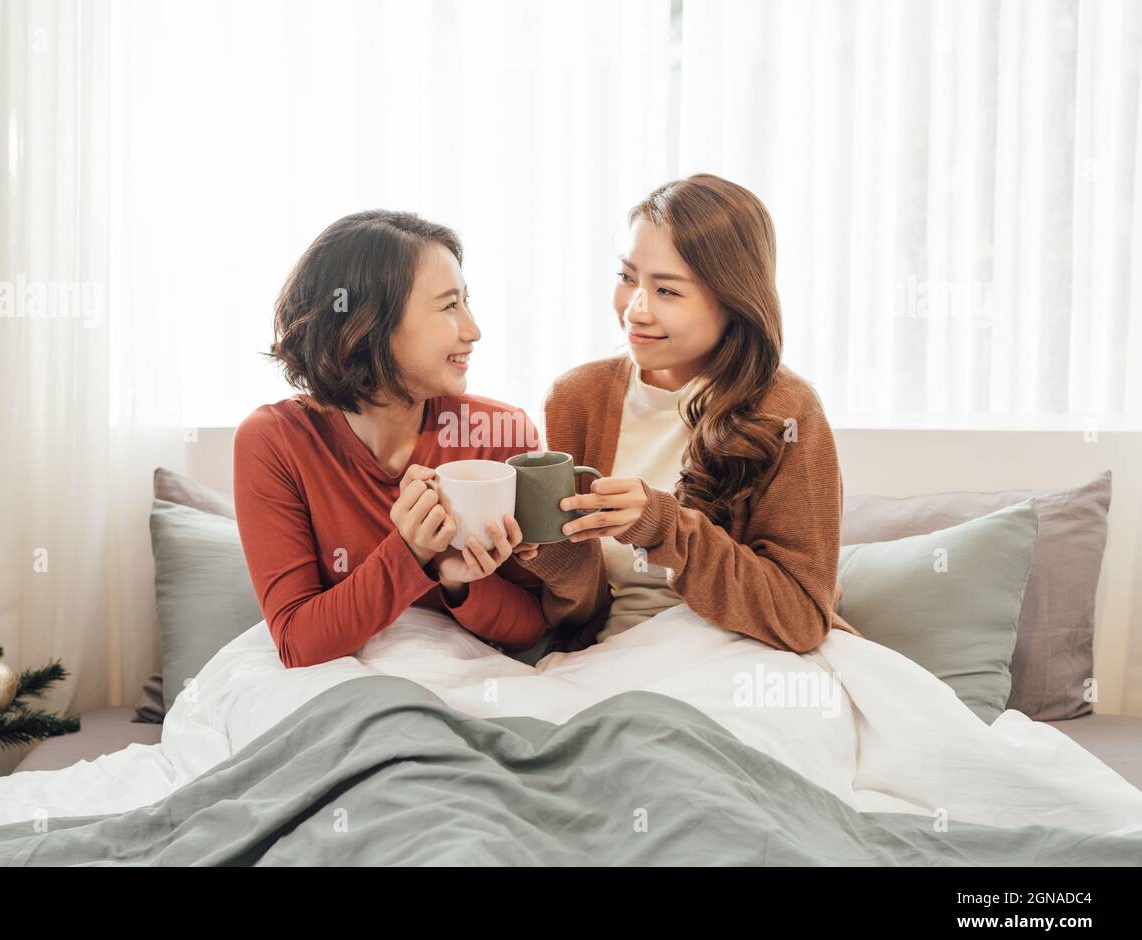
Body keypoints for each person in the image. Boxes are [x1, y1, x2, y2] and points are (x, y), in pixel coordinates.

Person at [233, 210, 603, 667]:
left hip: (464, 683)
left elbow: (528, 628)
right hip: (339, 686)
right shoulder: (275, 441)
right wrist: (411, 552)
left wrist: (455, 578)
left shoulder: (500, 435)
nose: (473, 330)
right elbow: (297, 643)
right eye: (449, 306)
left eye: (467, 302)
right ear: (366, 322)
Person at [519, 174, 860, 653]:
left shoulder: (785, 410)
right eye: (627, 278)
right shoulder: (578, 397)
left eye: (668, 292)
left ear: (733, 299)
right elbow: (581, 609)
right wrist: (541, 550)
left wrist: (664, 526)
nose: (635, 311)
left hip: (742, 658)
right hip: (611, 659)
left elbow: (800, 616)